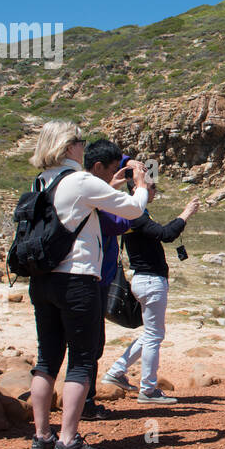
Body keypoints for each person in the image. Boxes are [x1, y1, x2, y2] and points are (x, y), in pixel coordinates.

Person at [25, 121, 148, 449]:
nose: (84, 145)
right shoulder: (79, 180)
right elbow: (133, 211)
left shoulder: (42, 181)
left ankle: (41, 436)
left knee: (46, 359)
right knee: (81, 360)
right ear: (68, 147)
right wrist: (139, 185)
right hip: (77, 280)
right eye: (79, 140)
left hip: (43, 279)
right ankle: (68, 441)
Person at [102, 196, 200, 404]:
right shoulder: (136, 215)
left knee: (151, 333)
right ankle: (148, 389)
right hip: (150, 280)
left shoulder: (133, 215)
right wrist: (186, 213)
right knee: (154, 336)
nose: (154, 192)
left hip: (144, 279)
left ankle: (117, 371)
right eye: (151, 188)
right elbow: (166, 234)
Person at [84, 139, 137, 417]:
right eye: (114, 167)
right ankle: (85, 401)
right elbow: (122, 222)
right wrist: (134, 190)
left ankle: (81, 398)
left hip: (91, 276)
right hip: (96, 278)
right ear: (98, 167)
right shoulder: (97, 201)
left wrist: (128, 163)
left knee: (83, 343)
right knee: (91, 344)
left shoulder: (80, 188)